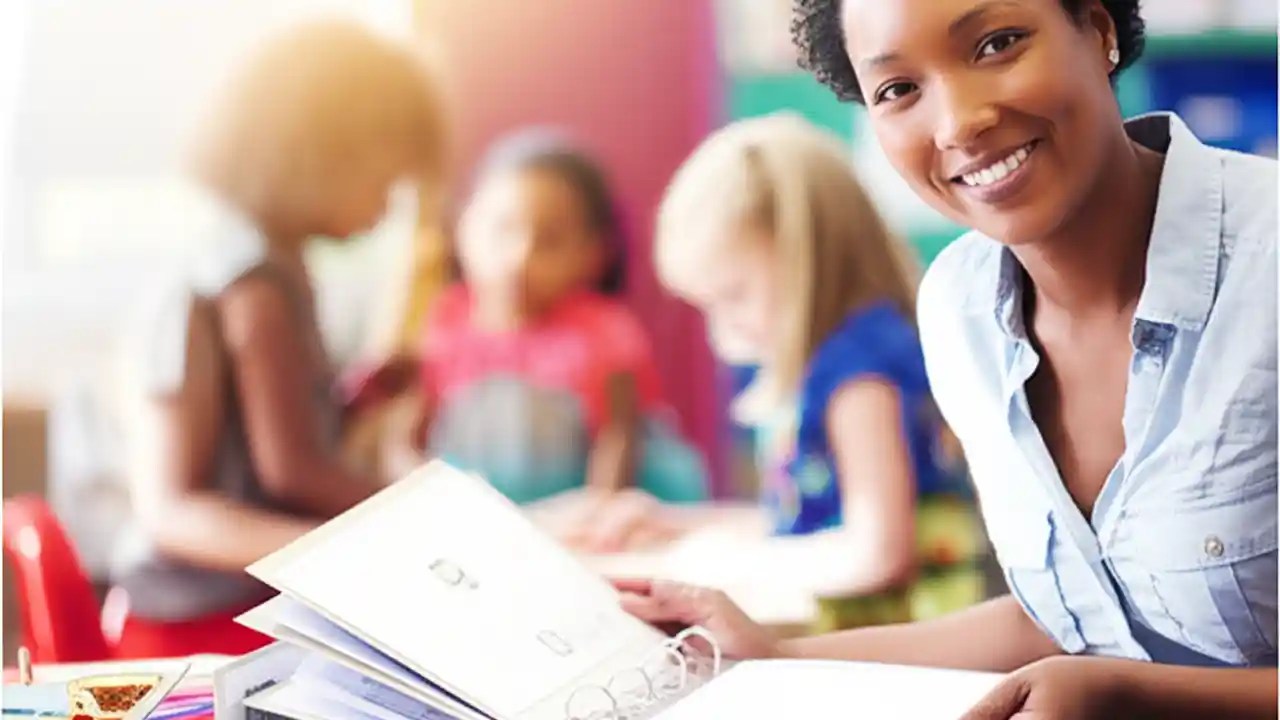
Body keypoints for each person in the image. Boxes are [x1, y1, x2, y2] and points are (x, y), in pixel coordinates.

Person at [617, 1, 1278, 717]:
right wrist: (774, 657)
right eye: (898, 90)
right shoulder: (960, 309)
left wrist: (1128, 694)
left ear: (1098, 28)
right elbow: (1064, 618)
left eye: (998, 44)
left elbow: (1106, 669)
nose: (959, 122)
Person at [112, 20, 444, 654]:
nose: (385, 207)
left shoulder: (245, 256)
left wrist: (355, 399)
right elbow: (292, 471)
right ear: (322, 155)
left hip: (187, 597)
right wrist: (426, 509)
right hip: (201, 616)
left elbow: (261, 449)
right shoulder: (256, 283)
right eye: (384, 182)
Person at [648, 113, 981, 628]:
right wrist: (673, 528)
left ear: (808, 260)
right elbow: (812, 527)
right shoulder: (828, 363)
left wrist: (729, 566)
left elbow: (875, 554)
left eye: (735, 295)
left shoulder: (859, 373)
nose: (725, 326)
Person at [385, 133, 705, 532]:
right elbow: (406, 439)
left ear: (594, 253)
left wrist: (596, 514)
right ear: (464, 225)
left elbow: (619, 437)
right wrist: (427, 499)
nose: (520, 256)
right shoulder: (442, 322)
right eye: (502, 229)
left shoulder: (605, 331)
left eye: (550, 240)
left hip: (570, 522)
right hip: (471, 526)